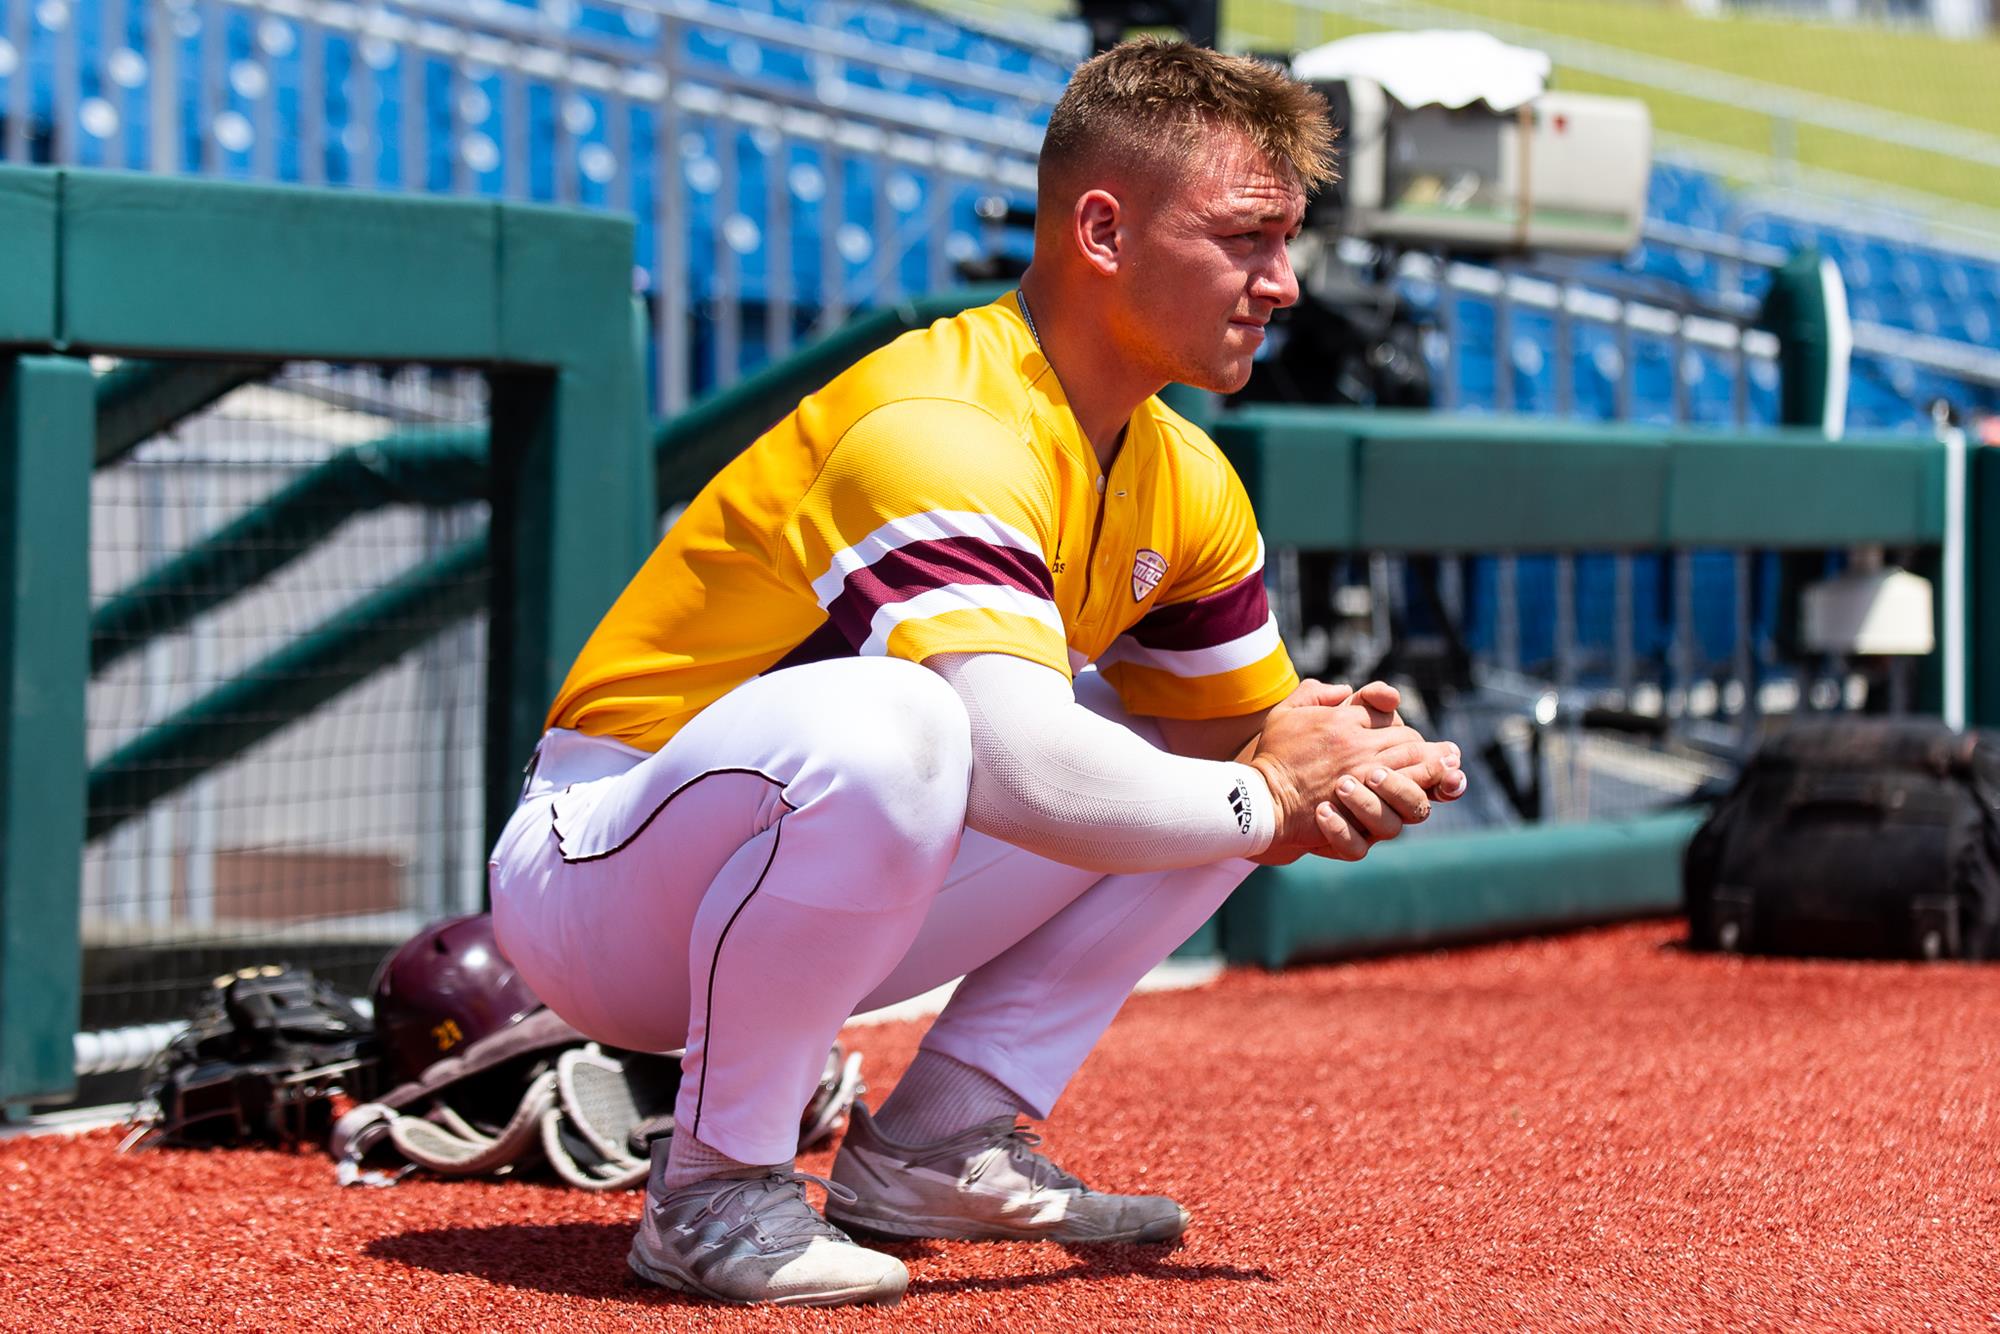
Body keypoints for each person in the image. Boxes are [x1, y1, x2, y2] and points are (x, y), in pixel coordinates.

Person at [487, 37, 1467, 1309]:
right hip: (599, 877)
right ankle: (714, 1189)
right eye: (1243, 237)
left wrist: (1353, 762)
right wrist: (1273, 797)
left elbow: (1253, 742)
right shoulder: (936, 425)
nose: (1279, 282)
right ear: (1101, 230)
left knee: (1245, 748)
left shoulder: (1186, 475)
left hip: (824, 866)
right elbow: (1014, 762)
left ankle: (940, 1140)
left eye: (1287, 240)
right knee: (906, 718)